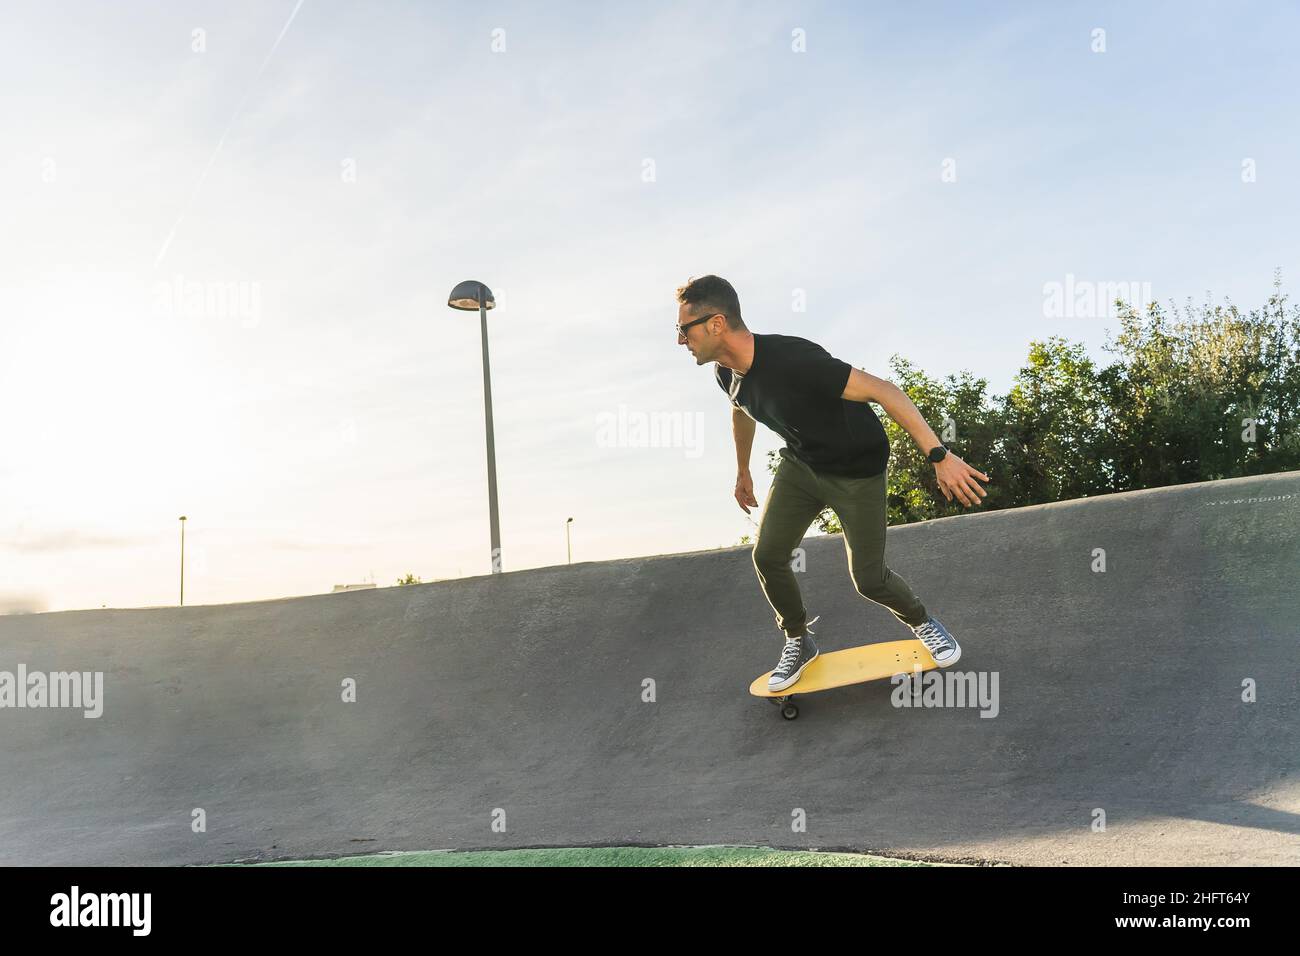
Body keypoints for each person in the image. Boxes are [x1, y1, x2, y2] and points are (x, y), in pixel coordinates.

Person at [676, 275, 991, 691]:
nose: (681, 341)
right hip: (802, 467)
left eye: (684, 330)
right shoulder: (725, 373)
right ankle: (798, 638)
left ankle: (923, 622)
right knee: (768, 555)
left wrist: (939, 455)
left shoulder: (794, 359)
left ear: (716, 324)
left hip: (857, 471)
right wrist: (743, 470)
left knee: (870, 579)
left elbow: (885, 390)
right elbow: (740, 410)